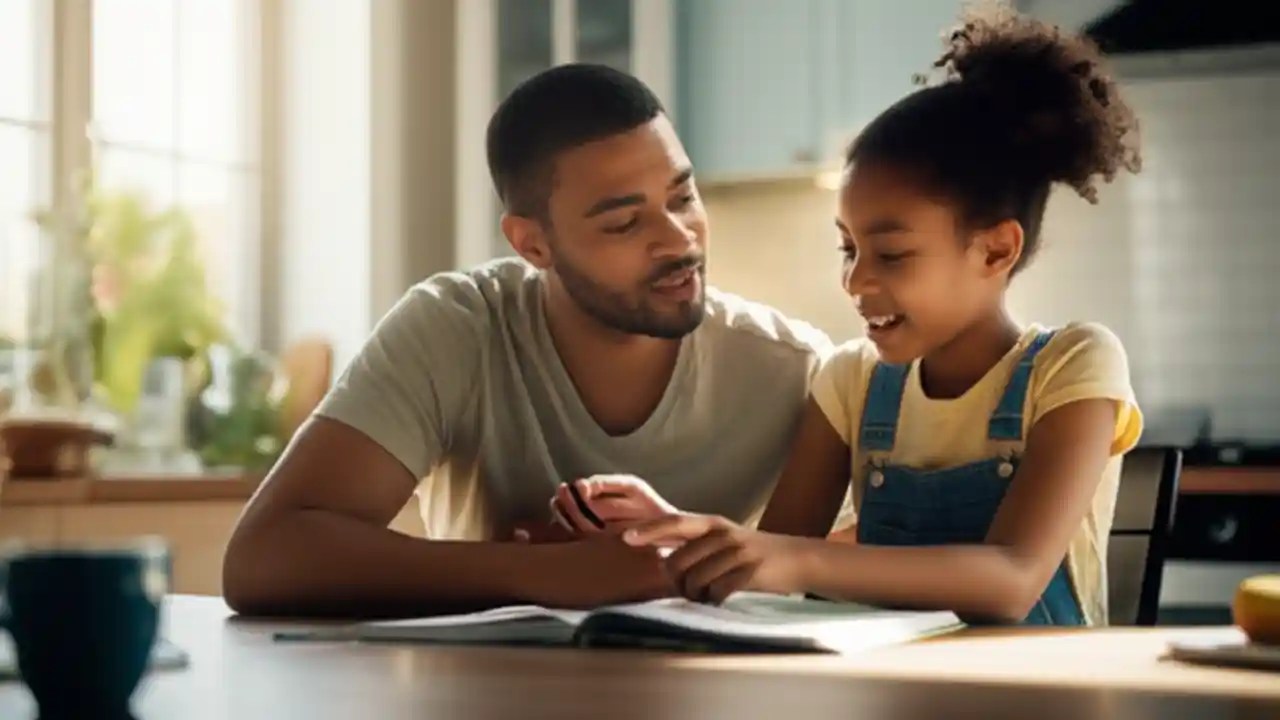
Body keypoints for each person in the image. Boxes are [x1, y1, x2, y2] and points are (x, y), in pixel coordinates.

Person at [567, 4, 1144, 626]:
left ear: (996, 249)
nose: (857, 279)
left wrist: (792, 559)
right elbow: (771, 576)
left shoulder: (1074, 365)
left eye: (892, 254)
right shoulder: (852, 381)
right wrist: (686, 539)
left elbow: (1010, 579)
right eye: (849, 248)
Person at [222, 64, 839, 616]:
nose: (679, 240)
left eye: (684, 197)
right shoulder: (455, 329)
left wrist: (664, 566)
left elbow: (879, 568)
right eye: (625, 222)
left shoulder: (796, 368)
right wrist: (552, 574)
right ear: (531, 244)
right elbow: (262, 558)